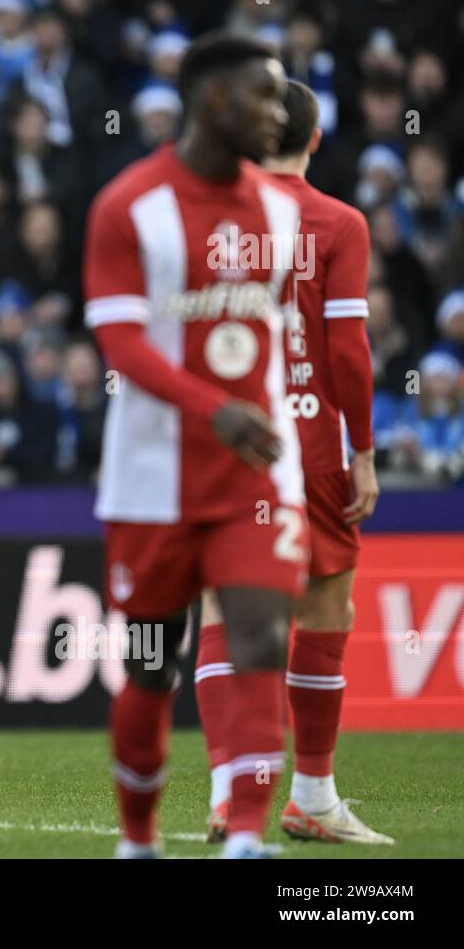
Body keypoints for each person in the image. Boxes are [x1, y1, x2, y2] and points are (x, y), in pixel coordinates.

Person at [82, 32, 307, 858]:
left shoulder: (282, 213)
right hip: (150, 481)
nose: (280, 115)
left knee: (257, 638)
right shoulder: (127, 207)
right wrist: (214, 410)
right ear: (214, 99)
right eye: (266, 96)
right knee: (150, 668)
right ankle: (138, 839)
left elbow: (265, 338)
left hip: (252, 476)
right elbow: (124, 347)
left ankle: (246, 835)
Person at [197, 80, 392, 845]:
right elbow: (346, 348)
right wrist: (365, 454)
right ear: (314, 141)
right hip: (307, 443)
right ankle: (311, 793)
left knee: (221, 613)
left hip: (224, 441)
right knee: (322, 614)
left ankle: (225, 794)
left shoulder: (212, 216)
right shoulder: (338, 222)